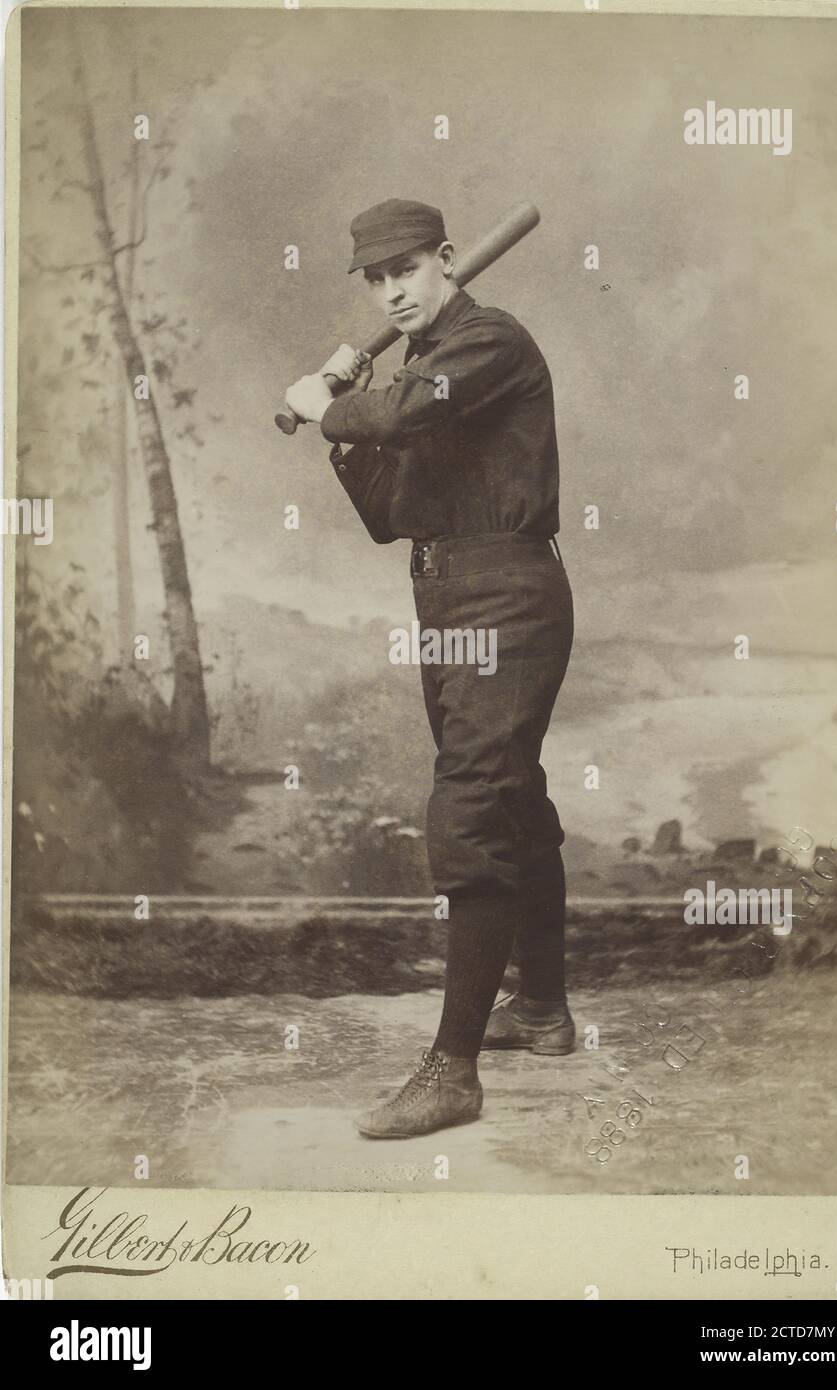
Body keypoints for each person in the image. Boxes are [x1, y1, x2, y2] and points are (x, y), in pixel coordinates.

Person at [285, 198, 575, 1139]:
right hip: (445, 596)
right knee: (511, 798)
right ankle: (539, 1013)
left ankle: (451, 1073)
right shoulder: (419, 371)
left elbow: (408, 409)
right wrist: (342, 426)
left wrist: (335, 404)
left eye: (405, 269)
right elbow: (390, 513)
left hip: (506, 593)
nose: (391, 290)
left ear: (448, 260)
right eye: (375, 279)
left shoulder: (487, 344)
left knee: (469, 806)